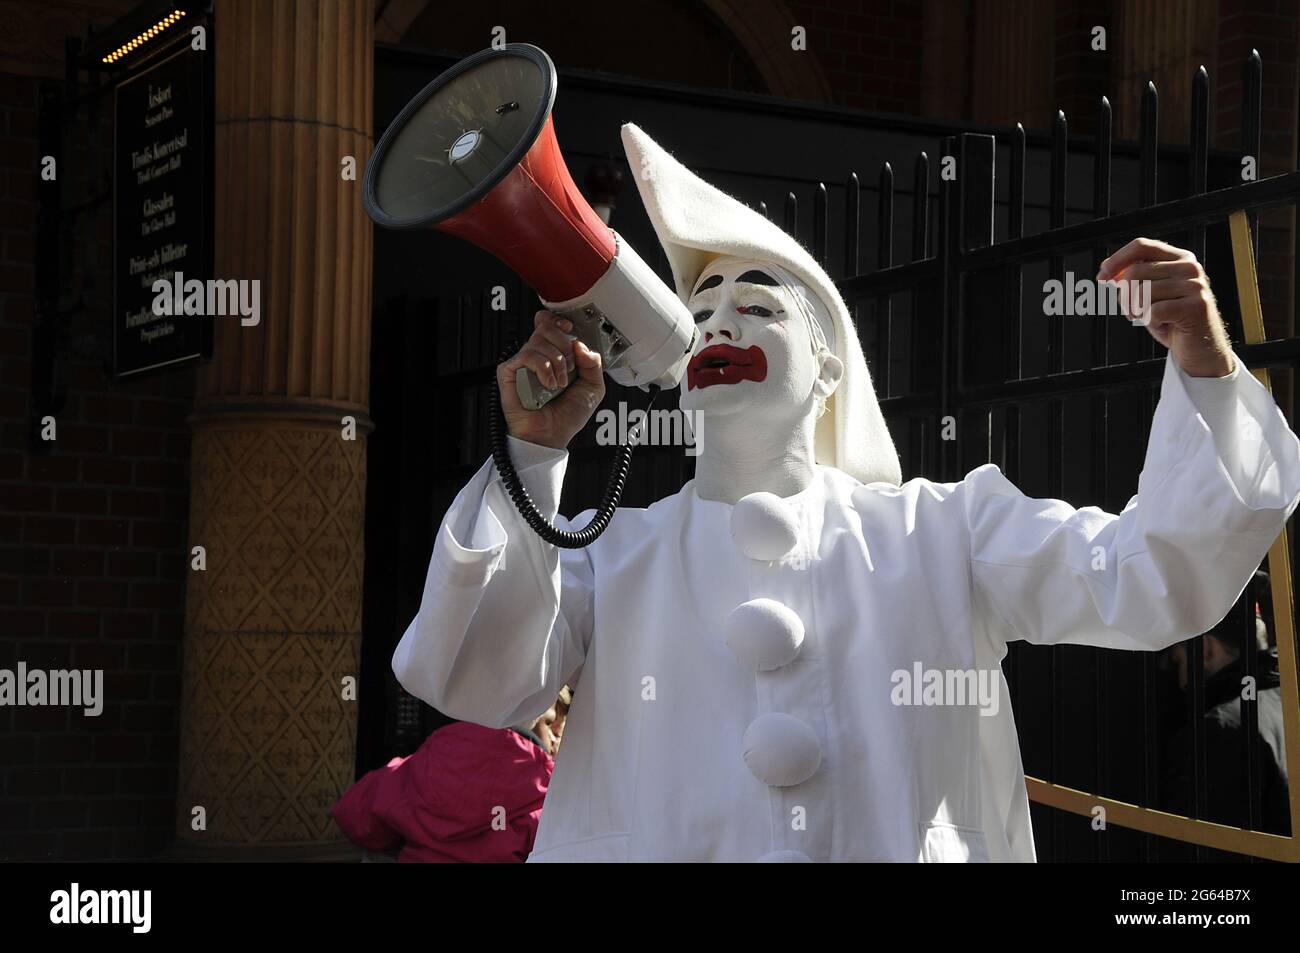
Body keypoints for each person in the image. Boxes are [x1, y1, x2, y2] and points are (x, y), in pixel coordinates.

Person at [391, 123, 1300, 861]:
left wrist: (1208, 366)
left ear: (829, 367)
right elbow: (480, 677)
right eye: (701, 310)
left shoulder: (946, 530)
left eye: (759, 302)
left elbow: (1152, 580)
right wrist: (536, 452)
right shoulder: (608, 553)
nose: (721, 320)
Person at [331, 687, 571, 862]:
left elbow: (355, 813)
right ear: (532, 721)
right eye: (551, 723)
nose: (556, 736)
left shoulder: (425, 762)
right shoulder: (548, 795)